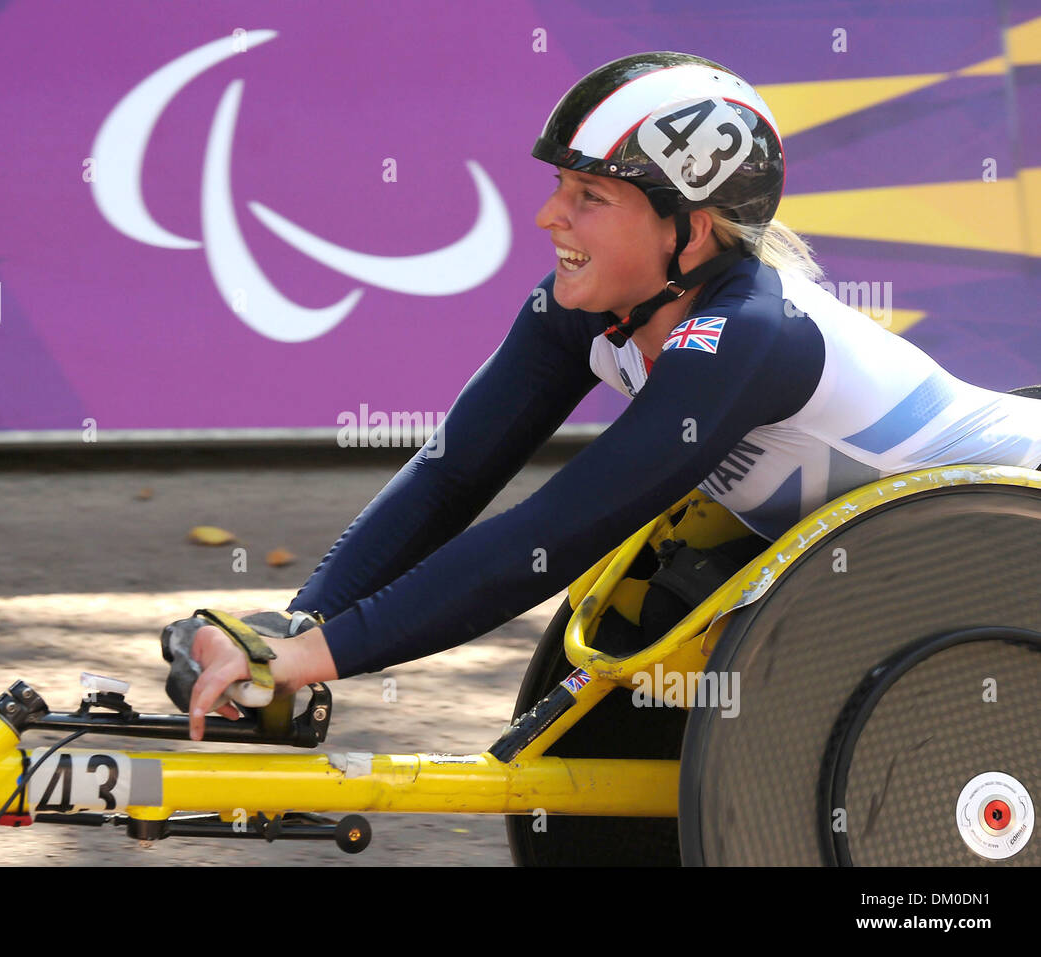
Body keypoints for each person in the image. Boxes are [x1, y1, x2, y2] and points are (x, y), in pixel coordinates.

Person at [173, 51, 1041, 740]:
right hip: (931, 567)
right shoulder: (582, 309)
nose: (550, 217)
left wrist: (314, 658)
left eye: (588, 196)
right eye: (558, 187)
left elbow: (550, 535)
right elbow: (451, 478)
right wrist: (289, 626)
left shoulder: (746, 338)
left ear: (689, 230)